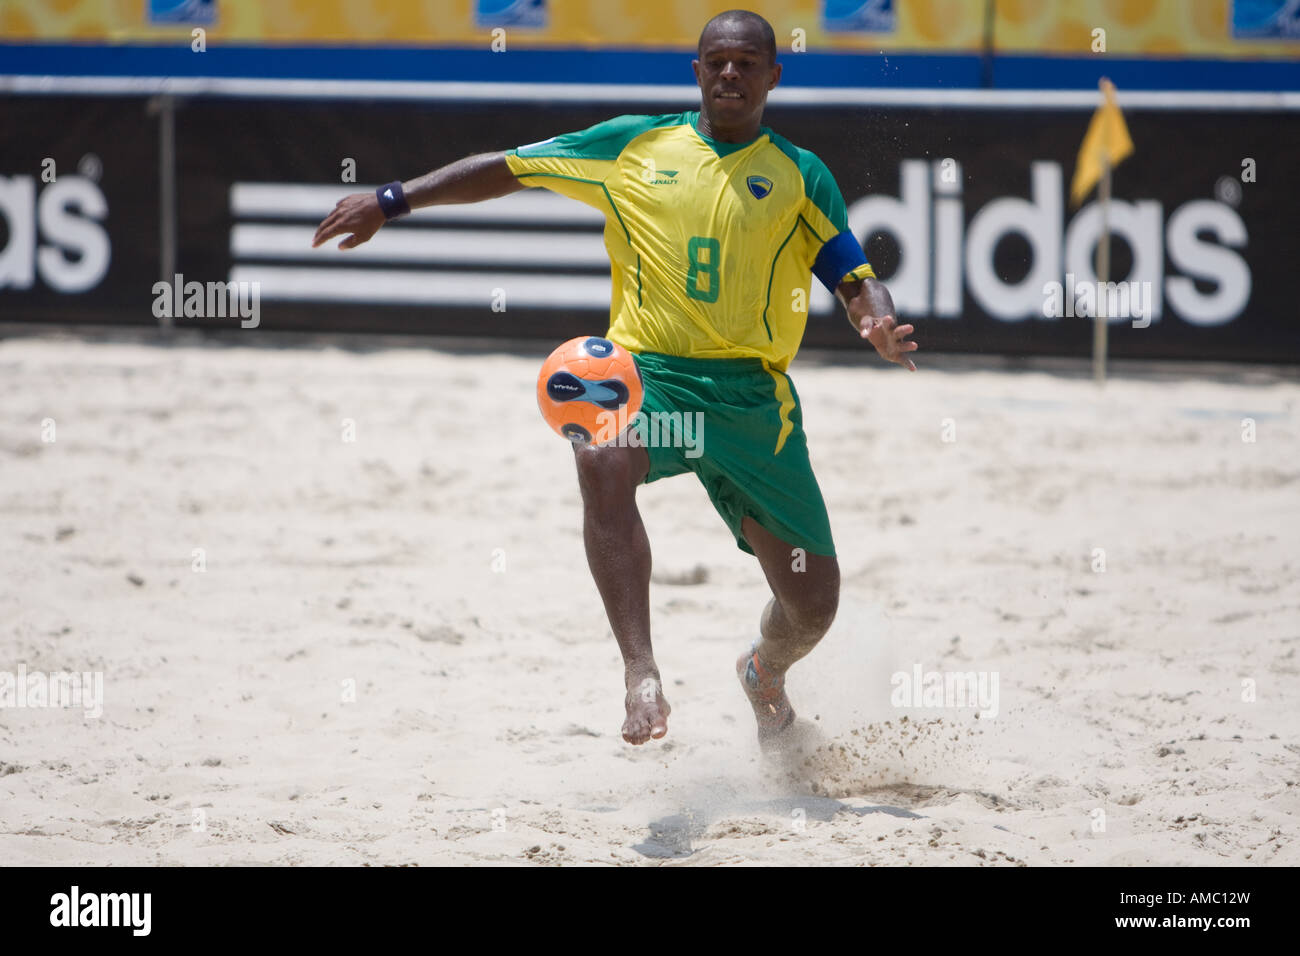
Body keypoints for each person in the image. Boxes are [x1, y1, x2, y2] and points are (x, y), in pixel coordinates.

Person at [312, 9, 917, 750]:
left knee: (812, 605)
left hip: (753, 403)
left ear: (773, 75)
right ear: (696, 72)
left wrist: (875, 321)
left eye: (747, 64)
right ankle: (641, 676)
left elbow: (855, 278)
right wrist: (392, 199)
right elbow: (506, 168)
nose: (730, 74)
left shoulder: (800, 175)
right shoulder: (633, 145)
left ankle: (764, 672)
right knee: (599, 451)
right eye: (717, 62)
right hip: (651, 379)